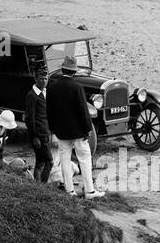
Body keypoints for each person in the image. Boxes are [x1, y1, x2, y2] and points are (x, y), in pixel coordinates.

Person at [46, 59, 103, 199]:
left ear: (63, 70)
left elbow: (49, 111)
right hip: (78, 131)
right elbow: (83, 110)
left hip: (61, 131)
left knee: (64, 159)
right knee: (84, 158)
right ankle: (90, 191)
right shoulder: (77, 87)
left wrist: (53, 129)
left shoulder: (52, 87)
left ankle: (69, 190)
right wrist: (88, 129)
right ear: (73, 72)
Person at [25, 72, 53, 184]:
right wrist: (34, 137)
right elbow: (29, 118)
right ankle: (43, 184)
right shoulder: (32, 96)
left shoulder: (45, 93)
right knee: (49, 162)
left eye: (46, 79)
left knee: (40, 161)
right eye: (41, 79)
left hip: (46, 132)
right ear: (36, 79)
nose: (44, 81)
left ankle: (37, 184)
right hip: (39, 135)